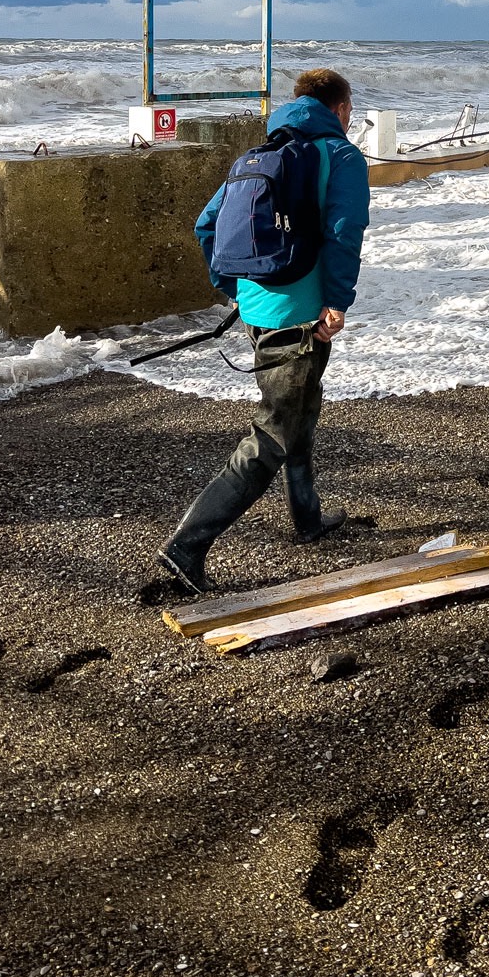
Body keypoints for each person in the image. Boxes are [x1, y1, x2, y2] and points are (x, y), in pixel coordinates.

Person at [156, 67, 370, 595]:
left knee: (301, 407)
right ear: (341, 109)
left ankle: (308, 518)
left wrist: (232, 287)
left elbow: (206, 225)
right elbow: (345, 234)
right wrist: (336, 303)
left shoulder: (254, 156)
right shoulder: (340, 156)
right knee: (274, 430)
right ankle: (186, 547)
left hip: (256, 309)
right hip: (302, 316)